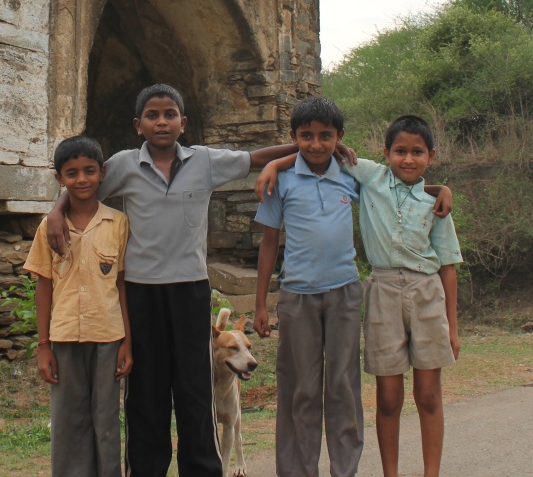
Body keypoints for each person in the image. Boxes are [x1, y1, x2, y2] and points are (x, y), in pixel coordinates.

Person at [46, 84, 326, 477]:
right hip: (142, 293)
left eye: (169, 114)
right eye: (152, 115)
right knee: (146, 392)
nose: (162, 121)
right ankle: (146, 470)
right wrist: (57, 211)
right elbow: (83, 189)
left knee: (196, 390)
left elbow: (256, 157)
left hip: (191, 291)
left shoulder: (205, 161)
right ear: (138, 125)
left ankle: (203, 469)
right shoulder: (124, 165)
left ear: (183, 122)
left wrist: (312, 150)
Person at [256, 108, 462, 477]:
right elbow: (318, 152)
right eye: (400, 151)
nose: (316, 143)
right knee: (317, 391)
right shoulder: (307, 179)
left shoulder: (367, 182)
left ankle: (352, 471)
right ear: (385, 153)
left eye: (326, 136)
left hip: (364, 293)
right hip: (326, 292)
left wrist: (440, 188)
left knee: (350, 389)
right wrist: (275, 165)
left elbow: (404, 186)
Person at [25, 136, 132, 477]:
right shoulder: (49, 227)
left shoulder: (118, 223)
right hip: (65, 337)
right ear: (59, 179)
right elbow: (44, 285)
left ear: (102, 173)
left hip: (108, 336)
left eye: (89, 171)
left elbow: (121, 284)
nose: (82, 179)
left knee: (105, 420)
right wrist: (43, 346)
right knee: (68, 421)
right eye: (72, 173)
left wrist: (127, 341)